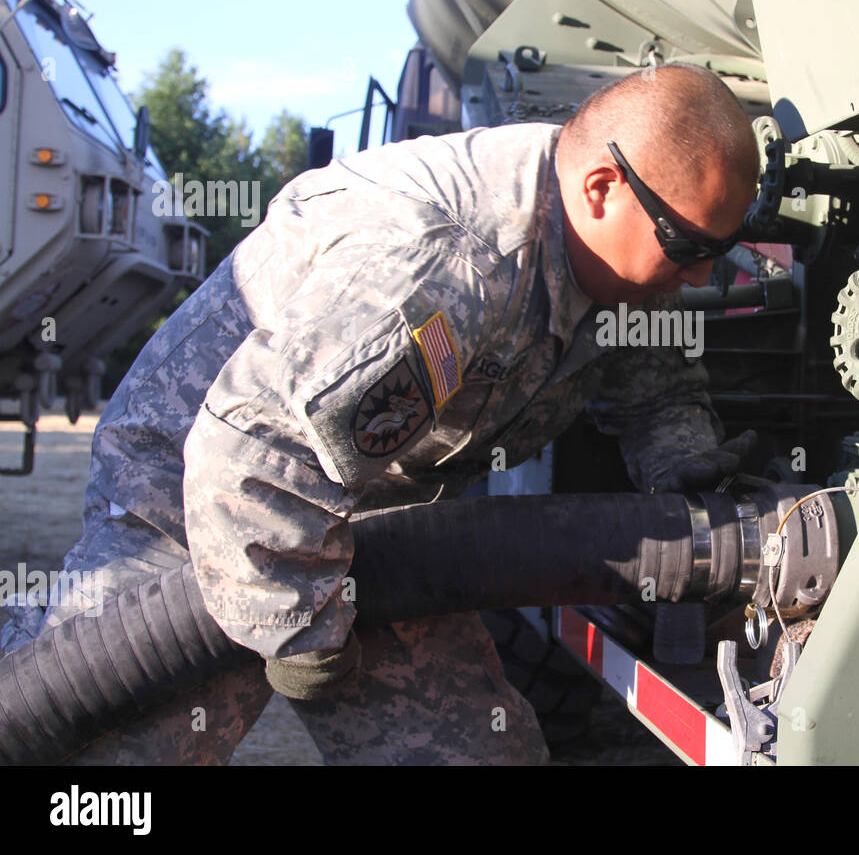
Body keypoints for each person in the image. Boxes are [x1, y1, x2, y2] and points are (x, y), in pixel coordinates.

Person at [0, 63, 760, 764]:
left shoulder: (610, 267)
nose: (697, 274)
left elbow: (650, 385)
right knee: (102, 753)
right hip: (205, 494)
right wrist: (307, 640)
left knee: (469, 753)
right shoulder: (453, 262)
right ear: (601, 189)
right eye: (685, 244)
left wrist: (686, 468)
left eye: (716, 251)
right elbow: (253, 462)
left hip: (368, 517)